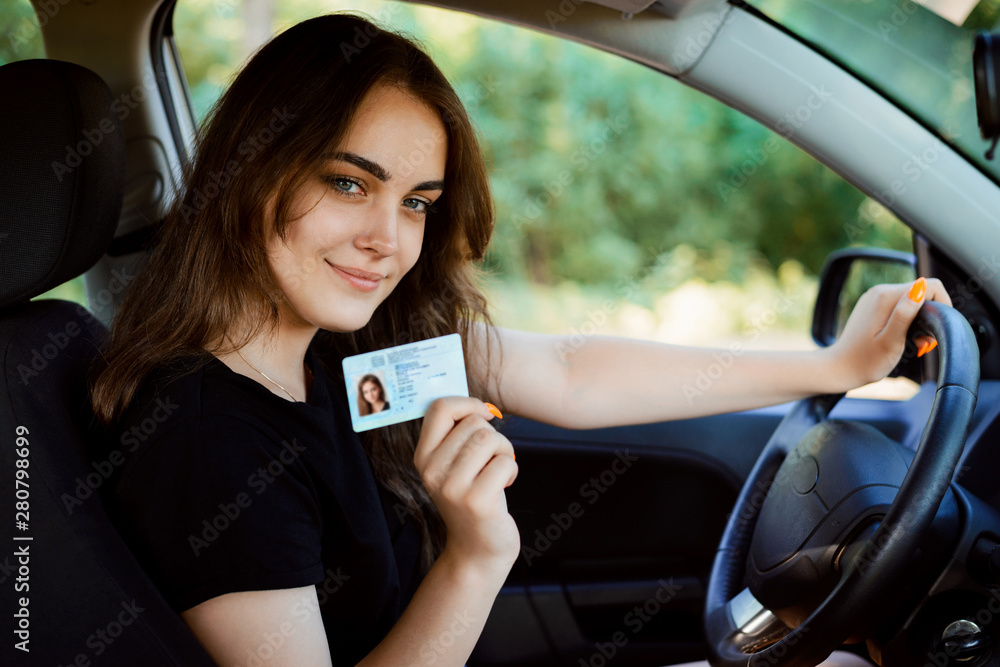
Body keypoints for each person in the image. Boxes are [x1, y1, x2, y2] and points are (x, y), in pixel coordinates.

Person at [88, 11, 949, 667]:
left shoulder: (342, 347)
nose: (389, 239)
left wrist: (836, 363)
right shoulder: (209, 439)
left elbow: (573, 373)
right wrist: (475, 556)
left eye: (416, 201)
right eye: (349, 183)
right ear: (252, 169)